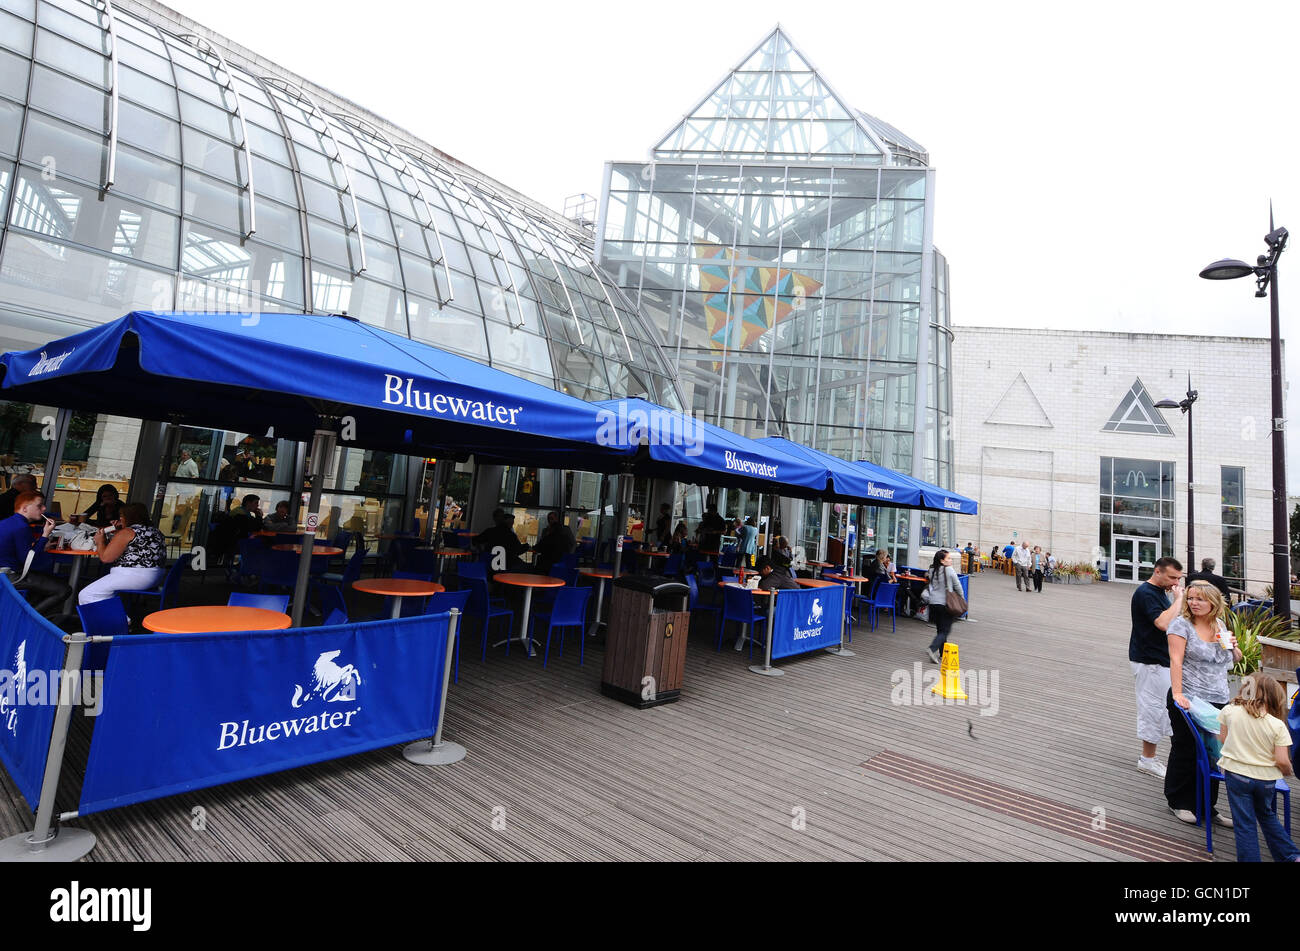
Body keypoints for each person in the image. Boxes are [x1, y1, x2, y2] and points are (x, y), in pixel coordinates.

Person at [1165, 580, 1240, 826]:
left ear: (1213, 602)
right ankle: (1179, 801)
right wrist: (1178, 694)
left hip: (1217, 697)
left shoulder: (1219, 624)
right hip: (1189, 696)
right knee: (1186, 747)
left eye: (1200, 599)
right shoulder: (1181, 625)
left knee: (1213, 754)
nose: (1194, 603)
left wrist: (1234, 648)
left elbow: (1232, 659)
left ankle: (1208, 806)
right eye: (1191, 598)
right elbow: (1175, 661)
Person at [1217, 674, 1300, 862]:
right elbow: (1283, 760)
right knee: (1267, 816)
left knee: (1245, 824)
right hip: (1265, 780)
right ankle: (1291, 856)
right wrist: (1286, 772)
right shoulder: (1277, 725)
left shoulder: (1230, 711)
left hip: (1237, 776)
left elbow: (1223, 739)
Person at [1129, 556, 1184, 780]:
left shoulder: (1160, 593)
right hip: (1149, 660)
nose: (1175, 582)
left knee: (1163, 708)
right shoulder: (1146, 593)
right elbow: (1162, 623)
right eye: (1171, 577)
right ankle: (1147, 760)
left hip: (1160, 659)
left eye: (1178, 579)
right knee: (1152, 708)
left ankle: (1153, 758)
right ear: (1157, 572)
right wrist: (1178, 600)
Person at [78, 502, 167, 606]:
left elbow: (106, 558)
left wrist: (100, 541)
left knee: (87, 594)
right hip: (155, 576)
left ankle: (119, 619)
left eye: (121, 517)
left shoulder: (128, 532)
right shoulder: (155, 531)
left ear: (128, 518)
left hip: (136, 576)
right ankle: (117, 615)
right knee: (102, 593)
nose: (120, 520)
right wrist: (119, 531)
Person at [0, 491, 71, 617]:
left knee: (45, 581)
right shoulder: (21, 527)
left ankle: (23, 613)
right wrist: (45, 535)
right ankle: (28, 618)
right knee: (63, 589)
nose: (44, 508)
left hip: (7, 571)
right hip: (8, 575)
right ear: (25, 508)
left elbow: (20, 550)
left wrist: (41, 545)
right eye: (39, 506)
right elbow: (28, 560)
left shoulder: (8, 522)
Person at [924, 549, 963, 663]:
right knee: (945, 630)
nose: (951, 560)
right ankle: (932, 649)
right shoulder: (949, 570)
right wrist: (961, 599)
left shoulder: (932, 570)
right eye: (949, 558)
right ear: (942, 560)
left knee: (940, 629)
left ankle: (942, 654)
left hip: (933, 603)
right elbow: (958, 586)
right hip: (945, 604)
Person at [532, 510, 576, 574]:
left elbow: (572, 543)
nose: (550, 520)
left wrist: (568, 555)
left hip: (556, 558)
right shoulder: (546, 530)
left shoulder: (563, 530)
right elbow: (542, 543)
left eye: (552, 518)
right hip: (549, 557)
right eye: (549, 519)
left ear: (557, 519)